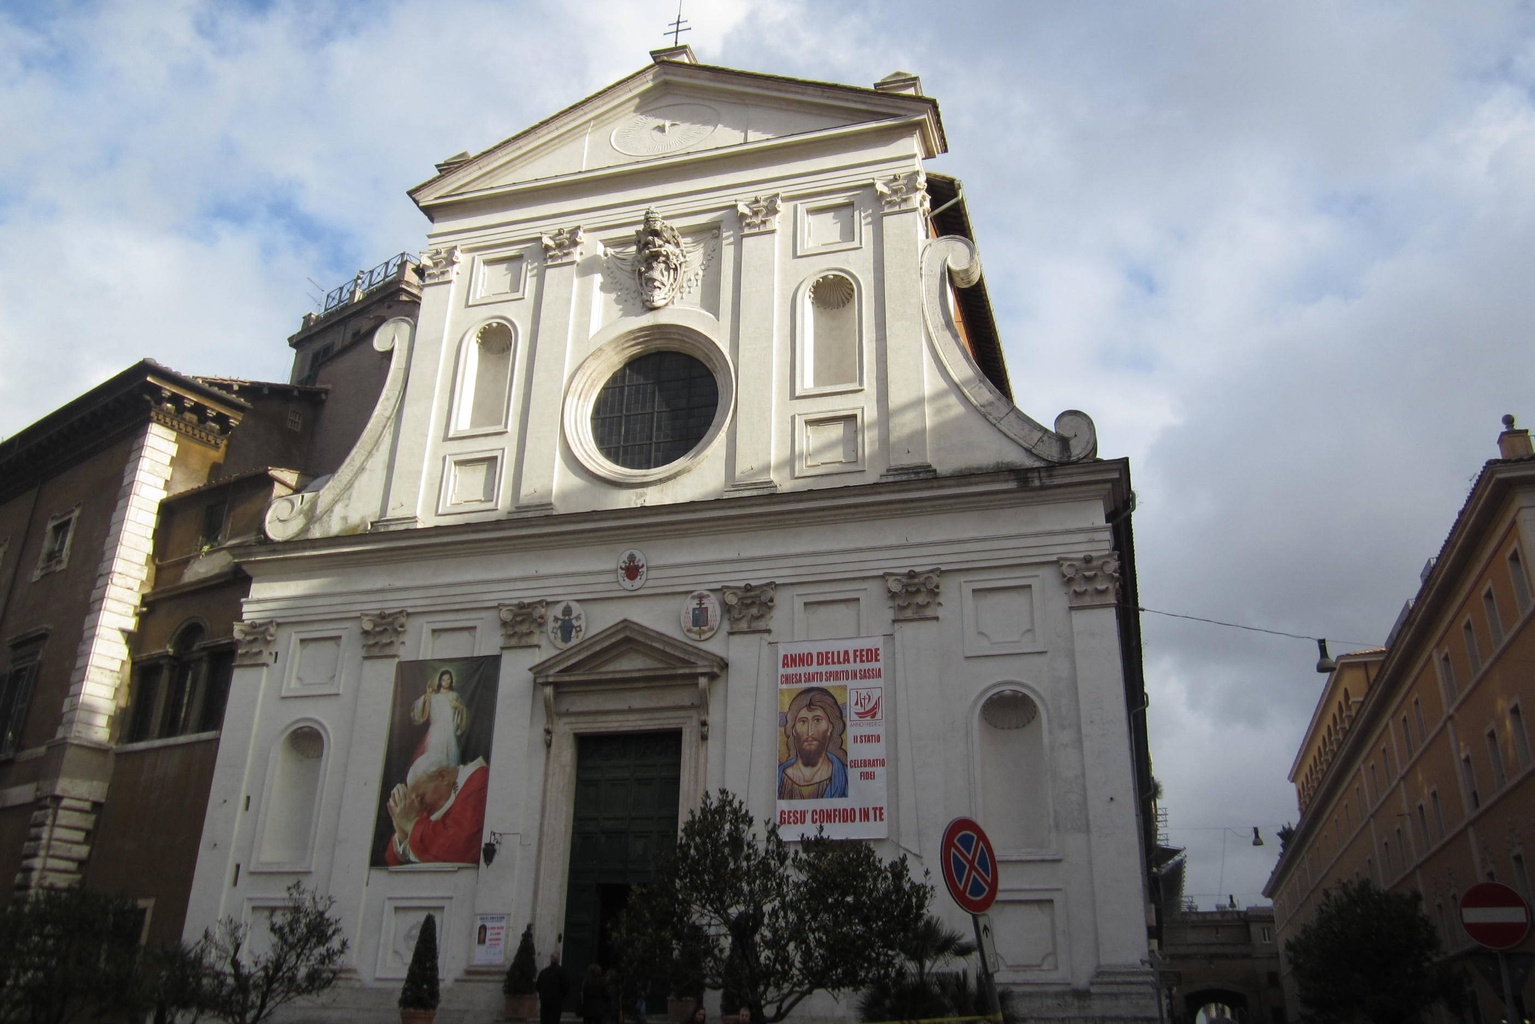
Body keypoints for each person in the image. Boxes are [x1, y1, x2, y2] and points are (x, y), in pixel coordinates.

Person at [383, 756, 488, 865]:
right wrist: (401, 831)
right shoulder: (433, 805)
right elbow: (391, 861)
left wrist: (411, 822)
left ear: (443, 776)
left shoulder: (478, 780)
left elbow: (462, 848)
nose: (420, 805)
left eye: (422, 797)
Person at [776, 686, 849, 800]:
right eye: (803, 722)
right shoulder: (778, 778)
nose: (810, 732)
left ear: (830, 727)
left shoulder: (846, 778)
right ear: (794, 729)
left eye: (817, 720)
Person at [407, 668, 467, 784]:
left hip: (449, 733)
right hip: (436, 732)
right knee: (433, 758)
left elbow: (461, 713)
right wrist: (428, 694)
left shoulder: (454, 696)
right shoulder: (434, 695)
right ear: (440, 681)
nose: (446, 681)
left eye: (448, 679)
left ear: (451, 680)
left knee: (448, 759)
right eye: (443, 679)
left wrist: (459, 707)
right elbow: (422, 710)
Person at [536, 953, 569, 1024]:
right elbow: (566, 987)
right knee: (554, 1020)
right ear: (558, 960)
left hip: (545, 1001)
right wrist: (561, 997)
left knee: (544, 1020)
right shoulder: (562, 972)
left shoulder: (543, 972)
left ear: (550, 960)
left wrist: (542, 995)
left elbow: (538, 986)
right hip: (556, 1002)